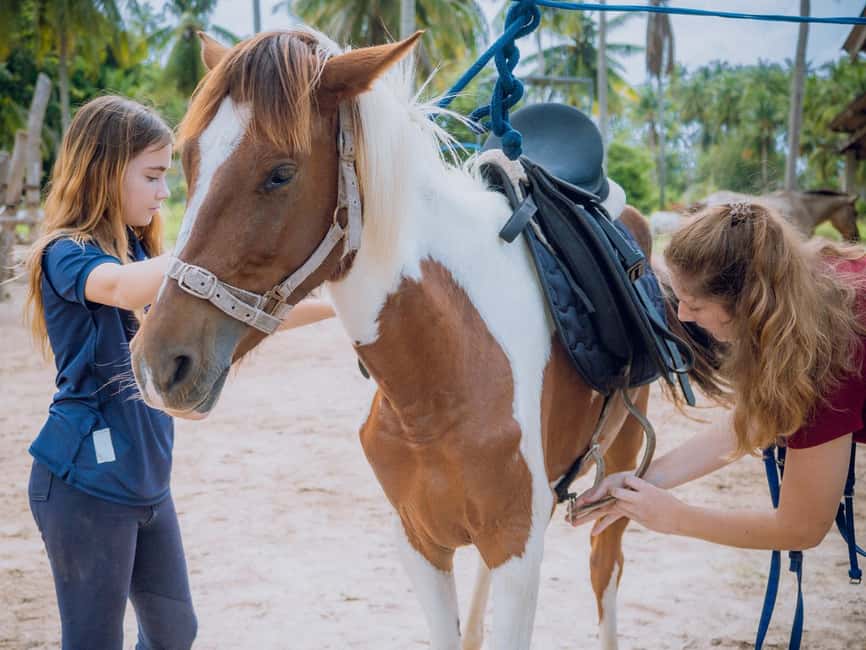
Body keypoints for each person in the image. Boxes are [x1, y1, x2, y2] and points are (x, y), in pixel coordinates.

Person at [24, 95, 334, 649]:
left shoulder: (143, 251)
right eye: (153, 176)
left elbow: (243, 311)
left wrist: (342, 307)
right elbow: (118, 290)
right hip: (84, 484)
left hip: (146, 479)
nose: (164, 192)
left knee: (173, 632)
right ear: (104, 170)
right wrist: (211, 239)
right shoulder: (66, 252)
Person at [572, 200, 866, 555]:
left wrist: (675, 517)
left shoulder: (826, 356)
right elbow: (758, 417)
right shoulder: (803, 283)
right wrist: (641, 481)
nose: (683, 316)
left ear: (747, 302)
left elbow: (800, 527)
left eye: (695, 306)